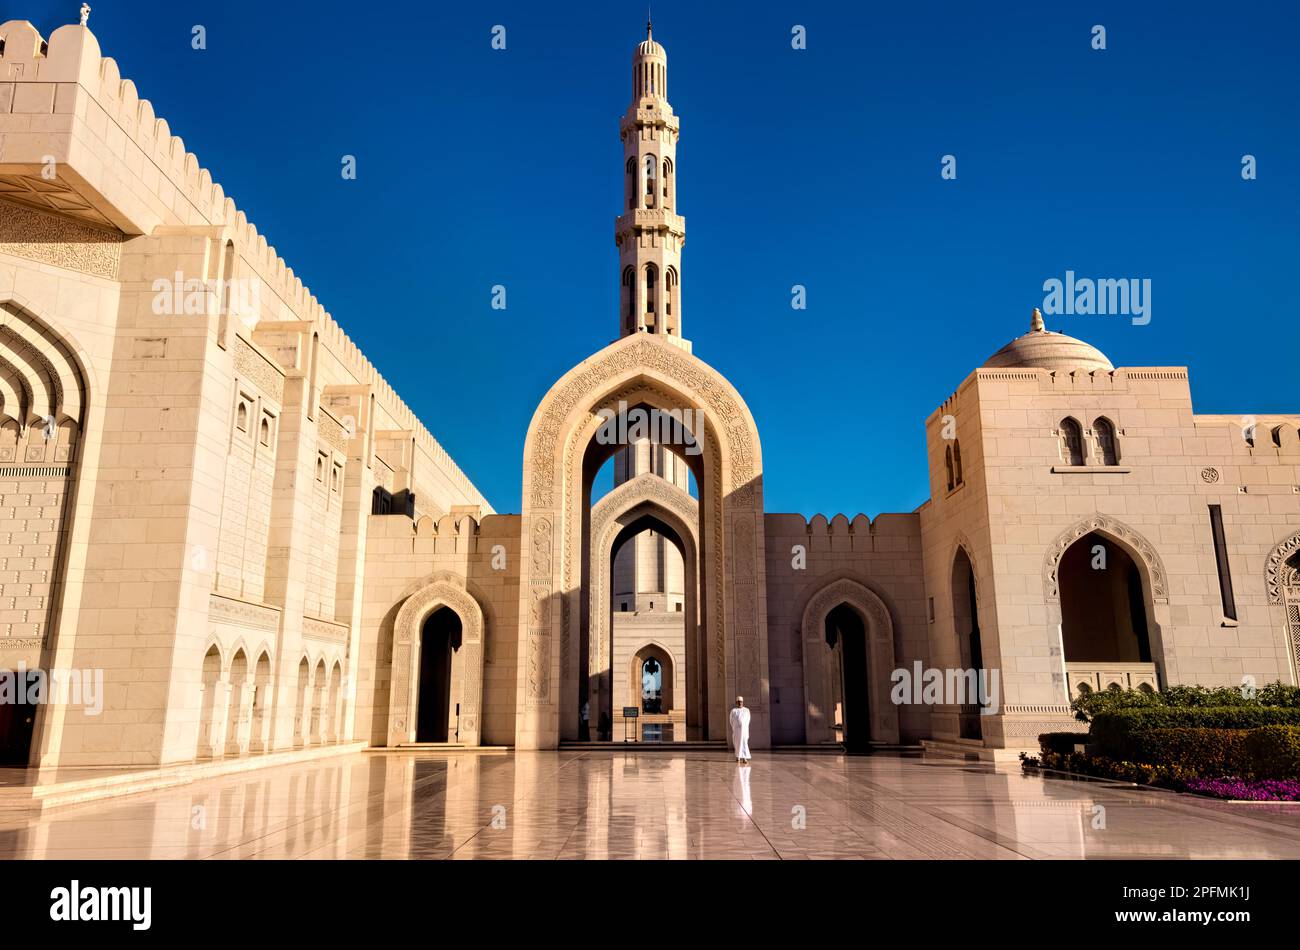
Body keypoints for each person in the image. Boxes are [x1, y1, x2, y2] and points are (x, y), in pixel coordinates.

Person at [729, 695, 751, 763]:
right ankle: (738, 757)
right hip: (737, 731)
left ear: (743, 702)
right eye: (738, 702)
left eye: (741, 702)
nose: (740, 703)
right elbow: (731, 721)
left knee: (744, 743)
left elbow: (748, 720)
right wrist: (735, 728)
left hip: (744, 731)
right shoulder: (733, 711)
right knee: (737, 744)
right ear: (736, 702)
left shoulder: (746, 710)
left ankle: (744, 758)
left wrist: (743, 727)